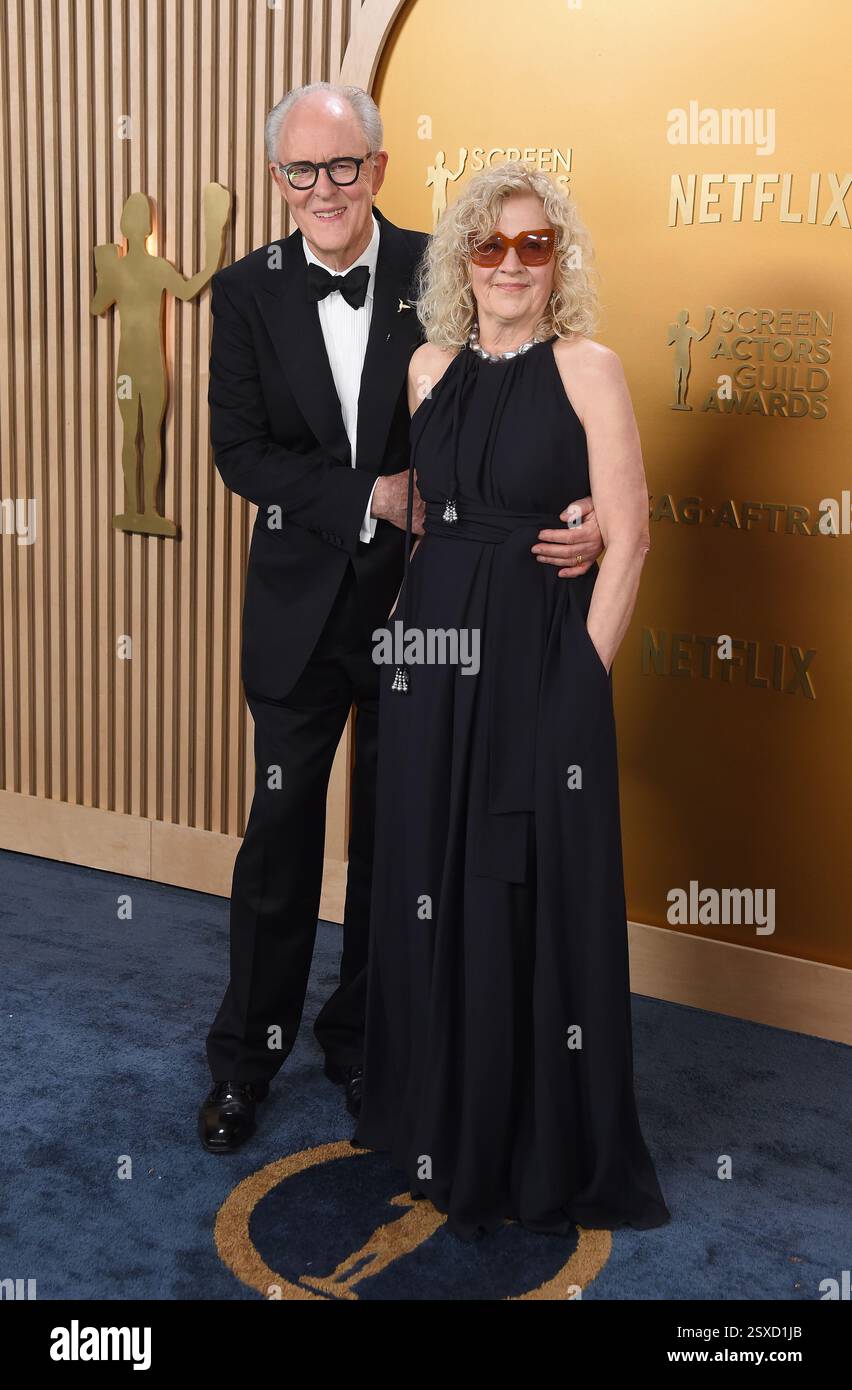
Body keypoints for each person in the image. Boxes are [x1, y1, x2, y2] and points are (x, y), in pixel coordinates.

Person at [198, 88, 603, 1153]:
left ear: (378, 170)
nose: (322, 190)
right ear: (279, 180)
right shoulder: (244, 292)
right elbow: (239, 450)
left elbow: (530, 391)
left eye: (343, 168)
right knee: (280, 841)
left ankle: (369, 1036)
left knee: (400, 844)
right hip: (296, 614)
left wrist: (593, 505)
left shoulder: (452, 264)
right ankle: (247, 1056)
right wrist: (372, 495)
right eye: (301, 172)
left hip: (425, 616)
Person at [353, 161, 670, 1238]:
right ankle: (431, 1115)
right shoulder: (428, 367)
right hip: (432, 661)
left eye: (534, 245)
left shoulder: (591, 368)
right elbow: (430, 517)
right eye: (491, 247)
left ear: (557, 259)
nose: (512, 266)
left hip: (537, 662)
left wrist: (578, 687)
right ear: (463, 262)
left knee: (519, 882)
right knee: (425, 877)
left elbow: (627, 542)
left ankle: (522, 1138)